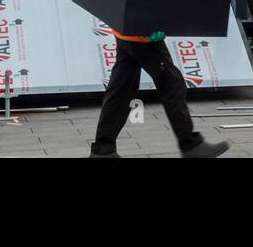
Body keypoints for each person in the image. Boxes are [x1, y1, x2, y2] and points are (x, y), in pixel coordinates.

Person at [90, 30, 230, 158]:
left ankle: (103, 148)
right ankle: (190, 145)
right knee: (171, 84)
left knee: (121, 89)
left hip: (126, 31)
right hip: (142, 33)